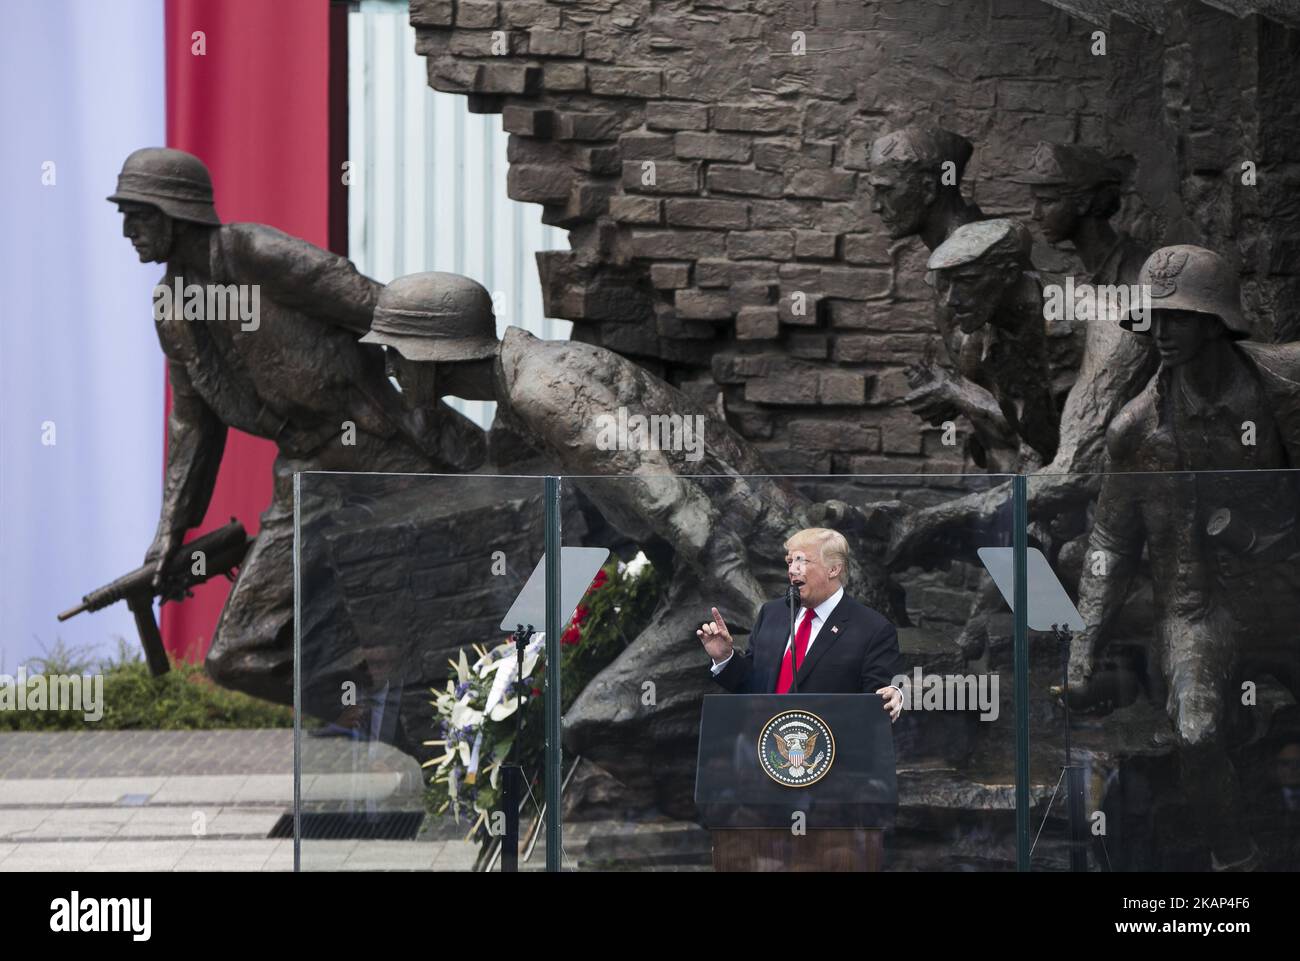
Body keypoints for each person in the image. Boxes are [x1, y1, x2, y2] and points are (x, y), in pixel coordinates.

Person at [107, 147, 485, 705]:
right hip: (306, 476)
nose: (127, 231)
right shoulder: (172, 308)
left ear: (173, 214)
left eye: (137, 215)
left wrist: (484, 382)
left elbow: (378, 309)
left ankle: (480, 709)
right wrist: (169, 533)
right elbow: (193, 425)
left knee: (485, 586)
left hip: (390, 449)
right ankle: (415, 716)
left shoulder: (256, 255)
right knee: (237, 655)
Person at [1069, 244, 1300, 870]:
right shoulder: (1137, 429)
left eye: (1178, 317)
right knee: (1196, 732)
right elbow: (1111, 542)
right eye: (1153, 318)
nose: (1161, 333)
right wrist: (1084, 642)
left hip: (1288, 591)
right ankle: (1238, 864)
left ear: (1214, 320)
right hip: (1201, 609)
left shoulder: (1284, 383)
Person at [698, 528, 903, 722]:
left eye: (801, 560)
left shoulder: (873, 628)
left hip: (830, 751)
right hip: (765, 746)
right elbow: (752, 683)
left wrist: (894, 694)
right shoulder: (772, 613)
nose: (792, 570)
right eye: (789, 561)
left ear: (833, 569)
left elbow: (880, 698)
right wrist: (725, 658)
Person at [904, 218, 1058, 472]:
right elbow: (1025, 432)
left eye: (966, 282)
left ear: (1008, 275)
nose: (951, 300)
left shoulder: (1063, 331)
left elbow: (1065, 446)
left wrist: (955, 393)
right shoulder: (992, 333)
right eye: (946, 285)